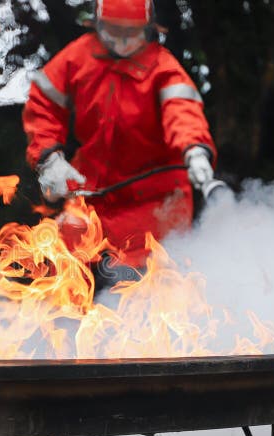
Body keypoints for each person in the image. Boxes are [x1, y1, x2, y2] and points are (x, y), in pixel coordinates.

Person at [23, 0, 217, 275]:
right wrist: (49, 159)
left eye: (133, 32)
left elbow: (182, 113)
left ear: (149, 29)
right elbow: (43, 104)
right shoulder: (78, 57)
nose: (123, 41)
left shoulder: (164, 68)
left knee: (141, 293)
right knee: (62, 275)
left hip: (156, 203)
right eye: (115, 31)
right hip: (93, 194)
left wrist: (195, 150)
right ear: (98, 25)